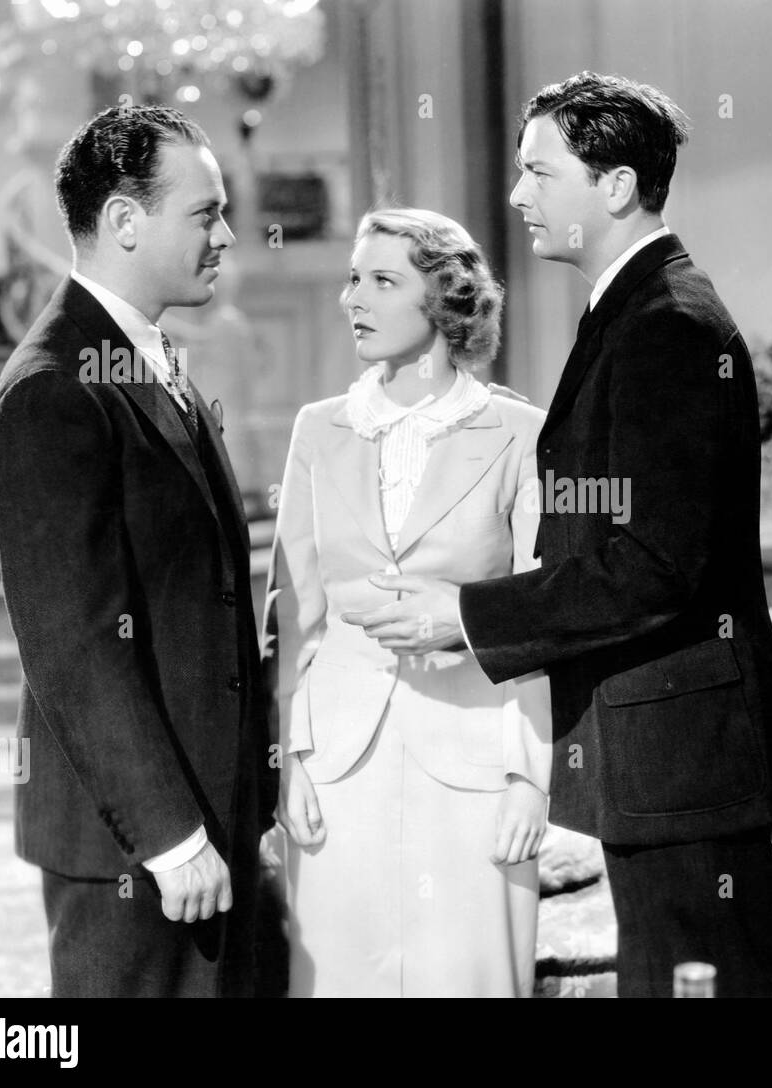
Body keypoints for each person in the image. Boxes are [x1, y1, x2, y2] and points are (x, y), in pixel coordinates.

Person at [348, 73, 772, 998]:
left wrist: (467, 615)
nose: (518, 196)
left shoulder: (667, 324)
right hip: (665, 759)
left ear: (616, 186)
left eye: (539, 172)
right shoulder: (635, 309)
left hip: (681, 762)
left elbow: (653, 566)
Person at [0, 105, 276, 997]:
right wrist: (170, 836)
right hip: (137, 848)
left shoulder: (141, 355)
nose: (227, 235)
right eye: (205, 213)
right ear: (122, 220)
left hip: (202, 817)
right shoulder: (51, 389)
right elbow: (71, 644)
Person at [264, 208, 551, 998]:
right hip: (337, 766)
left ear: (447, 302)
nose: (354, 297)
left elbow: (538, 615)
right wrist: (284, 760)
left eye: (382, 281)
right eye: (353, 278)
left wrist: (530, 777)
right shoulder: (318, 430)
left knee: (470, 982)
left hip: (474, 760)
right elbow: (294, 617)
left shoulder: (520, 433)